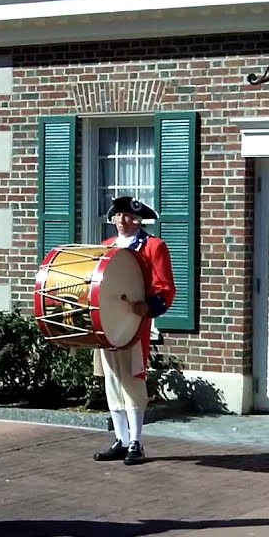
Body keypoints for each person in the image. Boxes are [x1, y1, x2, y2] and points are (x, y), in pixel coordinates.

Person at [92, 197, 175, 466]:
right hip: (107, 323)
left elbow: (165, 288)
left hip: (134, 325)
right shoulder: (105, 247)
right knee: (112, 381)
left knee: (133, 381)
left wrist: (148, 307)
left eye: (128, 216)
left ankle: (136, 441)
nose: (122, 220)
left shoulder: (154, 246)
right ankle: (121, 439)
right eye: (118, 215)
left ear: (138, 220)